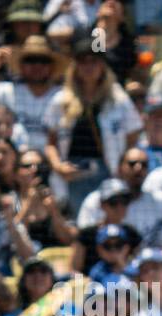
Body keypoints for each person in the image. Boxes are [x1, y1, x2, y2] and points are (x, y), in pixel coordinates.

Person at [43, 34, 144, 214]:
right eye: (83, 61)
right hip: (72, 172)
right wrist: (58, 166)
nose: (89, 67)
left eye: (94, 61)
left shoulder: (118, 99)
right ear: (75, 66)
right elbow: (50, 143)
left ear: (102, 65)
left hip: (107, 170)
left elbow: (133, 137)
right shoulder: (61, 100)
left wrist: (122, 169)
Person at [76, 147, 162, 236]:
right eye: (132, 163)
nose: (138, 168)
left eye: (144, 164)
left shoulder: (160, 201)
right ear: (119, 168)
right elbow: (83, 237)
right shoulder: (95, 200)